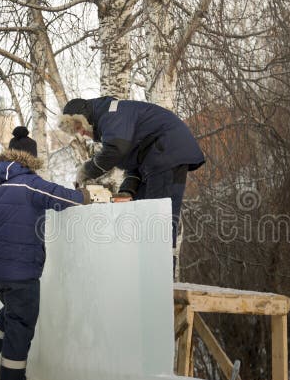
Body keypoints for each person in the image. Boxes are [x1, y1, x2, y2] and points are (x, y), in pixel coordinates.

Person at [0, 133, 92, 380]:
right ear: (31, 159)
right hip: (21, 270)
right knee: (21, 326)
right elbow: (65, 199)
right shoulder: (30, 184)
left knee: (12, 312)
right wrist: (86, 194)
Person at [58, 97, 205, 271]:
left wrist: (86, 170)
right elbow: (133, 162)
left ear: (85, 118)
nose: (81, 133)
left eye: (79, 127)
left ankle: (160, 277)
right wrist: (128, 190)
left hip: (166, 153)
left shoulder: (112, 114)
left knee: (158, 218)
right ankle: (146, 273)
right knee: (143, 215)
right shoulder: (115, 122)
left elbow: (115, 150)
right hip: (155, 158)